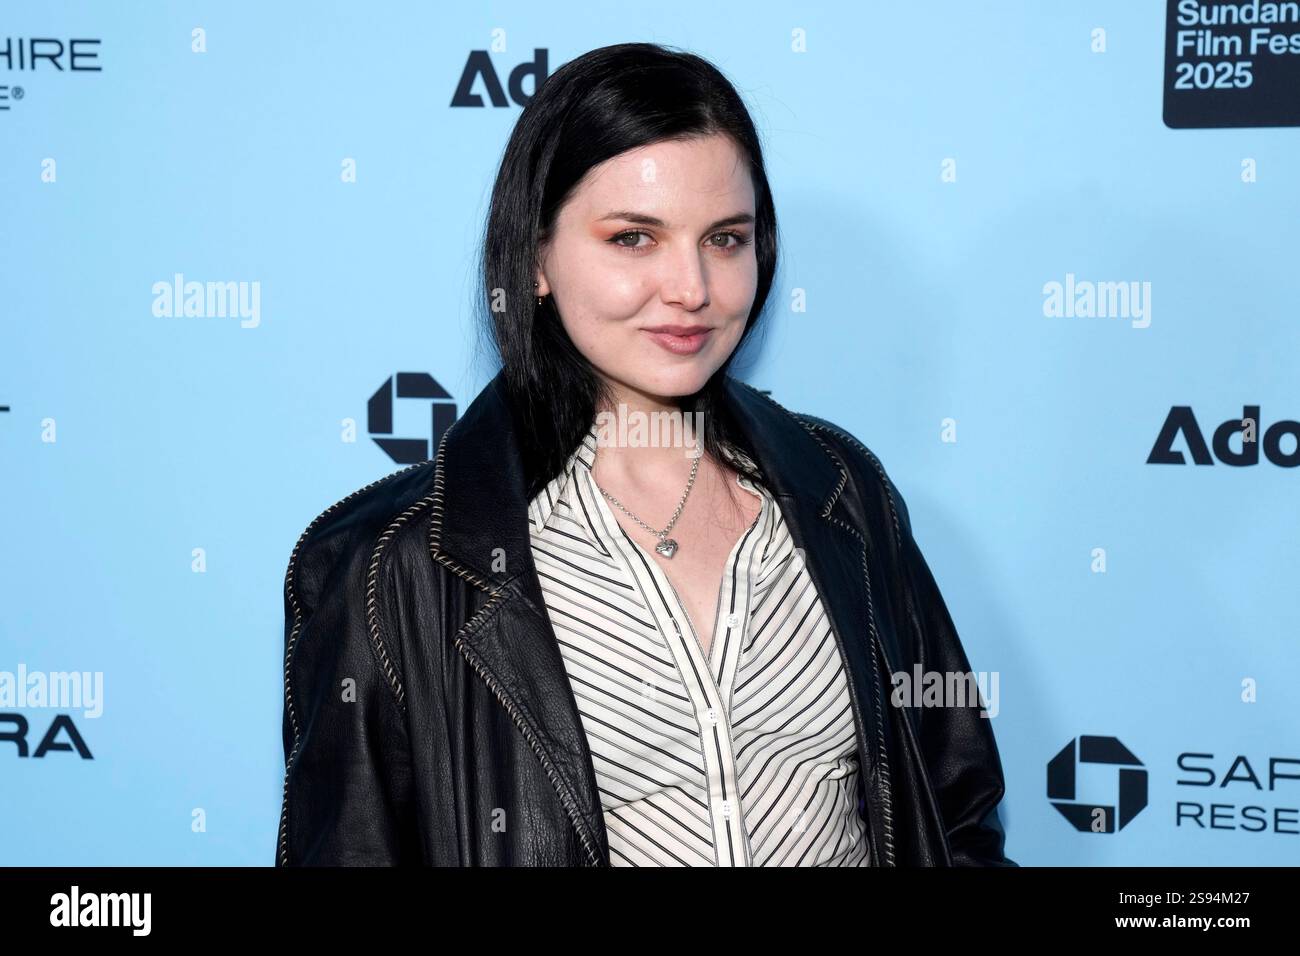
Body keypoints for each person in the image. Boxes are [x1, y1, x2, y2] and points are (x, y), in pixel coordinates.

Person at [276, 41, 1014, 867]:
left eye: (726, 239)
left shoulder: (842, 489)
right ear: (536, 259)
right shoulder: (389, 566)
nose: (691, 288)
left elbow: (956, 812)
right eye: (634, 239)